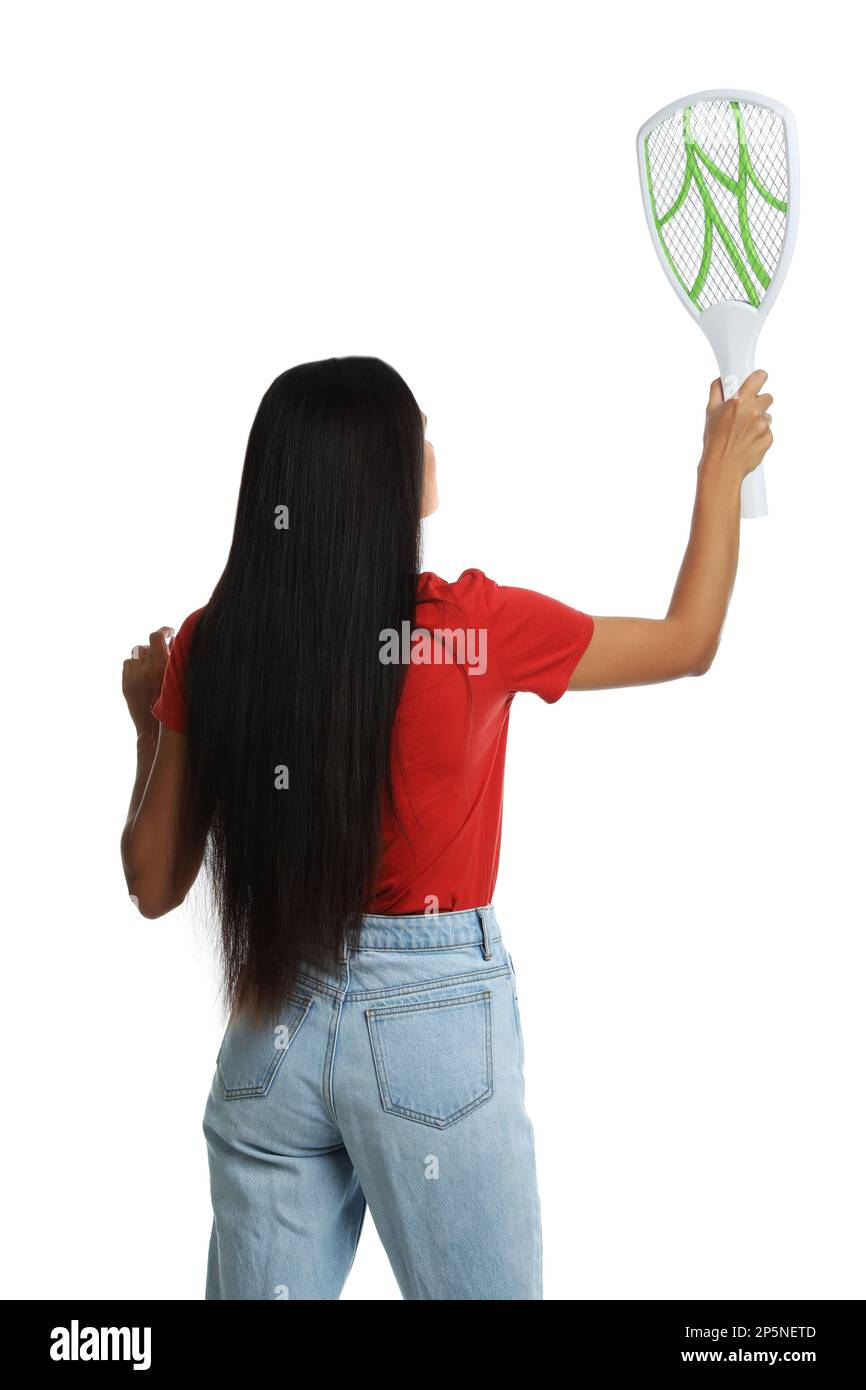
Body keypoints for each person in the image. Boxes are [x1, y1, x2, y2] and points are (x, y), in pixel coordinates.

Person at [120, 355, 773, 1300]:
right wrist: (719, 476)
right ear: (385, 482)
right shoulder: (468, 630)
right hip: (431, 1032)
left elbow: (153, 885)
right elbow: (688, 640)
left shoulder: (218, 643)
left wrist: (150, 728)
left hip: (272, 1033)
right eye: (415, 433)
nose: (431, 445)